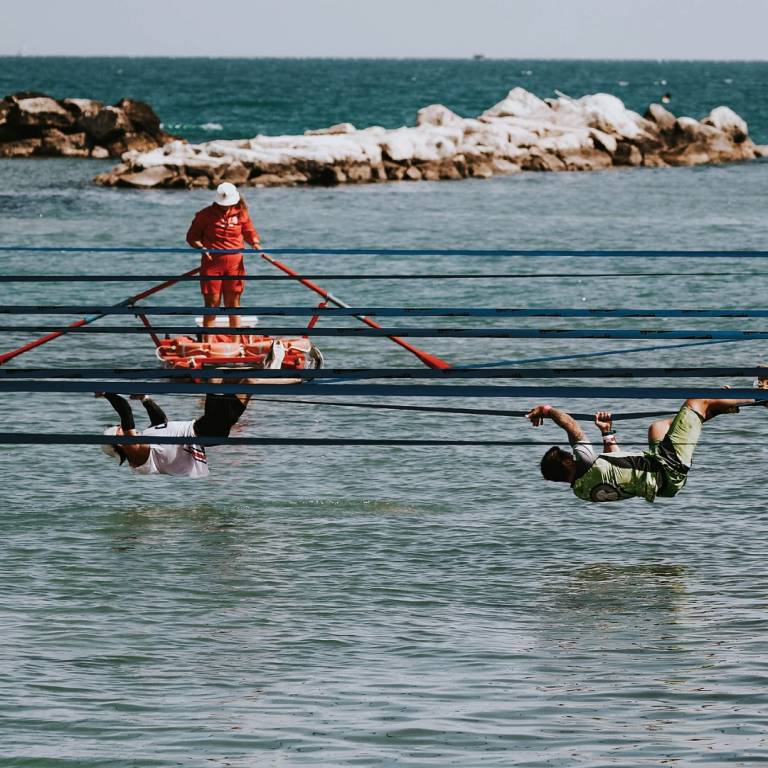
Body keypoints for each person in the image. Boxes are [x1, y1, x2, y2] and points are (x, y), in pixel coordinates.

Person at [526, 394, 759, 503]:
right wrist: (546, 410)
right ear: (568, 462)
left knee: (658, 427)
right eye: (570, 456)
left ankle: (722, 406)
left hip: (664, 485)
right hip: (668, 465)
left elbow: (615, 465)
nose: (573, 457)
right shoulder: (585, 463)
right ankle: (756, 399)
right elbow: (571, 427)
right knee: (695, 402)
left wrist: (607, 432)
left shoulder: (583, 492)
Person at [98, 388, 253, 478]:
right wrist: (106, 393)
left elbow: (161, 422)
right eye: (121, 429)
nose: (124, 428)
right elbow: (125, 411)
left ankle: (269, 369)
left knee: (245, 386)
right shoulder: (135, 452)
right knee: (215, 380)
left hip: (205, 430)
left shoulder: (144, 440)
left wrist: (145, 399)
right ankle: (269, 370)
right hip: (201, 432)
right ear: (119, 442)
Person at [186, 182, 261, 335]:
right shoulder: (204, 215)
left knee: (233, 304)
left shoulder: (242, 213)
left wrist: (255, 243)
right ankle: (208, 344)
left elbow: (249, 232)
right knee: (211, 305)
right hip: (211, 265)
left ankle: (236, 341)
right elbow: (192, 237)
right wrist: (202, 247)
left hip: (235, 265)